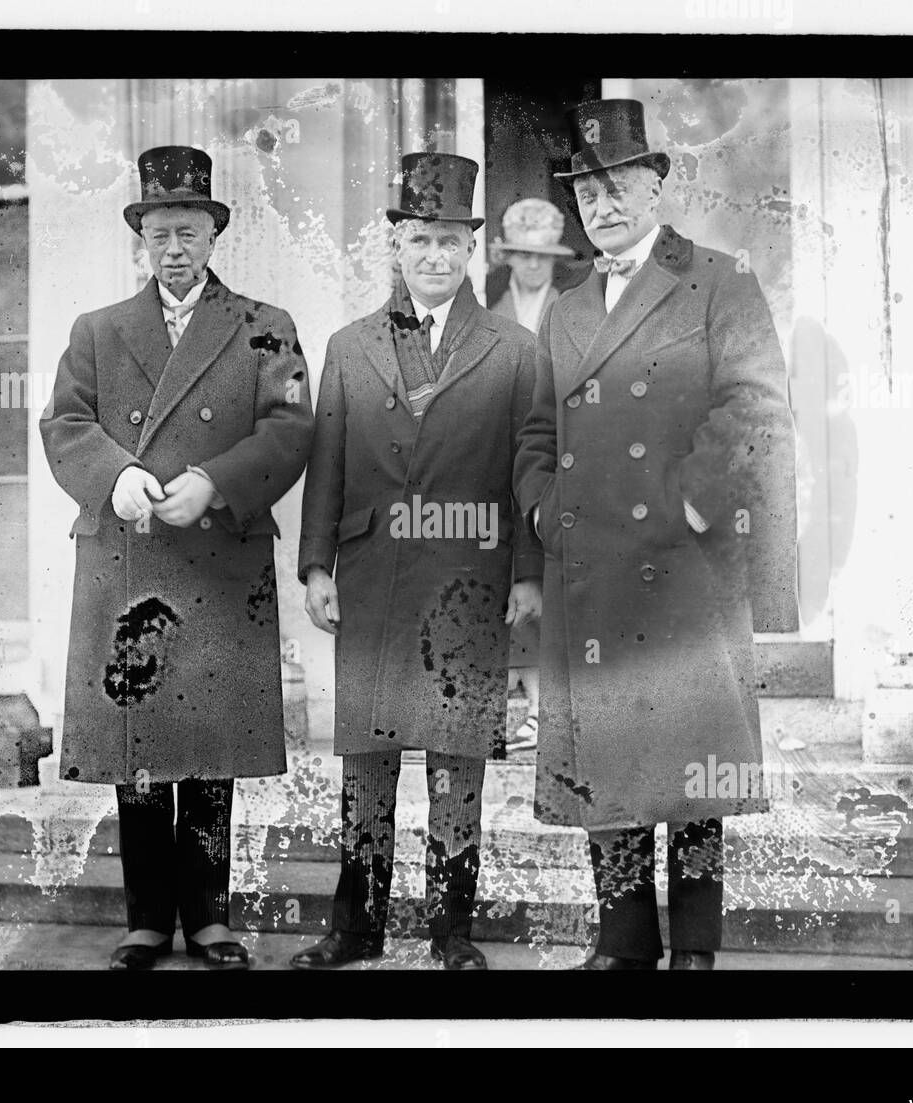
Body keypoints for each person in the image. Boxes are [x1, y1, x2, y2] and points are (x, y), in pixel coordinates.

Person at [514, 100, 799, 970]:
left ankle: (699, 953)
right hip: (587, 569)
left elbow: (756, 411)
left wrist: (684, 509)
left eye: (617, 186)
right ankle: (623, 941)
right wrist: (539, 508)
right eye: (585, 191)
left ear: (655, 186)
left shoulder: (717, 281)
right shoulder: (563, 312)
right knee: (608, 756)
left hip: (685, 567)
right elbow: (533, 434)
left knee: (694, 768)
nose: (601, 205)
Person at [40, 145, 314, 971]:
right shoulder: (97, 331)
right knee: (140, 745)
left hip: (218, 555)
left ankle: (211, 920)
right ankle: (146, 922)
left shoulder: (267, 326)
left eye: (188, 231)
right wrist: (115, 474)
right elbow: (64, 425)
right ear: (140, 239)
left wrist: (216, 481)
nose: (173, 248)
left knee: (210, 745)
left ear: (213, 235)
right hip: (129, 555)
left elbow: (292, 427)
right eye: (158, 233)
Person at [292, 152, 541, 971]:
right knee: (365, 761)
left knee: (455, 762)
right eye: (420, 239)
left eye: (450, 242)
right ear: (394, 243)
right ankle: (354, 928)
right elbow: (327, 459)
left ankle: (450, 931)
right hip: (369, 579)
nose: (435, 257)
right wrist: (317, 565)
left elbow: (529, 464)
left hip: (468, 580)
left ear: (470, 251)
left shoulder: (512, 348)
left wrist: (529, 577)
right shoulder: (348, 345)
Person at [487, 198, 580, 752]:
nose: (531, 265)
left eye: (541, 255)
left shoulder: (572, 309)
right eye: (522, 254)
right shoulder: (488, 310)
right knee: (503, 574)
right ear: (508, 257)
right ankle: (505, 707)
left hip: (553, 455)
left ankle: (548, 710)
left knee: (548, 574)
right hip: (498, 457)